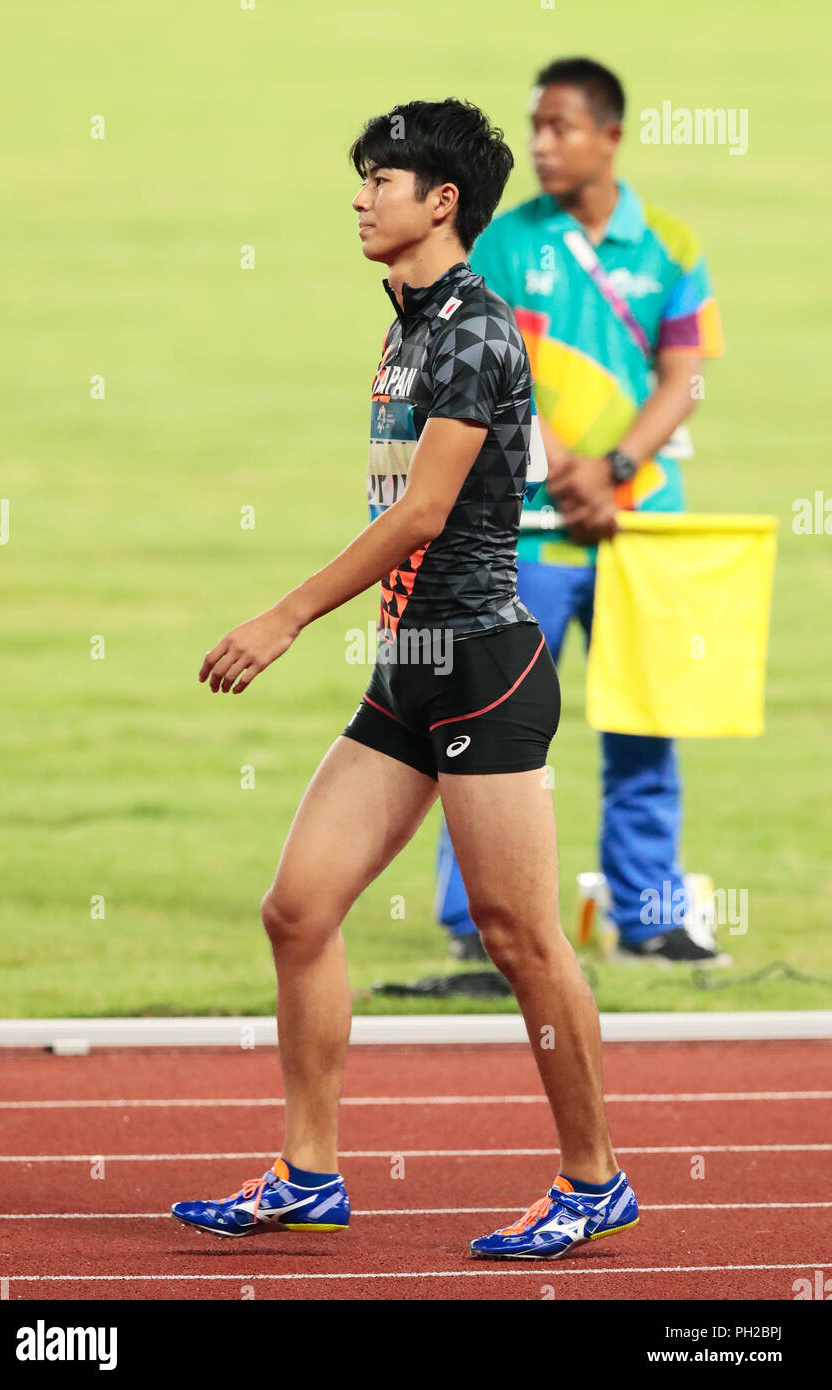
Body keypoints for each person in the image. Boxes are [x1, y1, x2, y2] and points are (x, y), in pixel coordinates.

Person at [171, 98, 639, 1259]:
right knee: (297, 909)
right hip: (407, 677)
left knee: (519, 934)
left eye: (379, 179)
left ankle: (593, 1180)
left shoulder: (475, 332)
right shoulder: (401, 328)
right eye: (360, 178)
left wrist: (285, 615)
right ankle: (308, 1170)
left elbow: (426, 513)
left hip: (481, 668)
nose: (358, 197)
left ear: (441, 202)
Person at [436, 58, 727, 965]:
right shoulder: (501, 248)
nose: (542, 145)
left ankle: (648, 917)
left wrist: (618, 467)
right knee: (486, 727)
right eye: (535, 127)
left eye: (560, 126)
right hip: (521, 532)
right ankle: (481, 929)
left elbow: (687, 375)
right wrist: (570, 473)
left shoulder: (671, 246)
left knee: (647, 723)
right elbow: (492, 376)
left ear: (610, 134)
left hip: (641, 529)